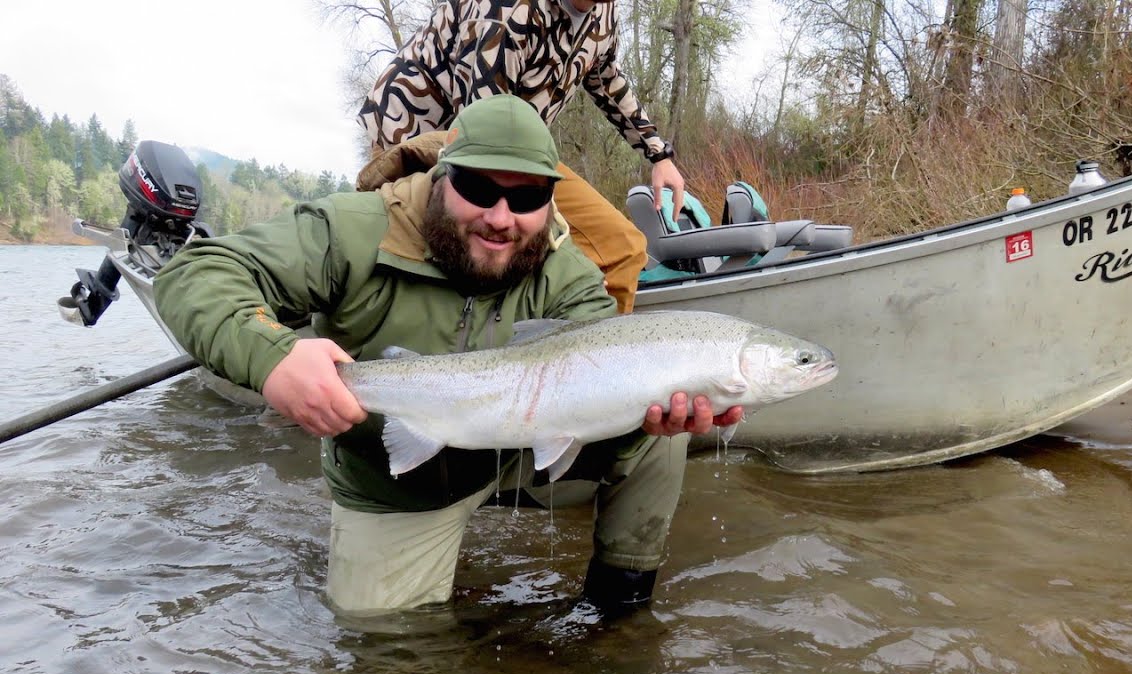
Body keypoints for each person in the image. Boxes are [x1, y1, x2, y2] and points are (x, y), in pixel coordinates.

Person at [155, 95, 740, 618]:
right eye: (479, 190)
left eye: (527, 196)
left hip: (516, 453)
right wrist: (274, 357)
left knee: (658, 435)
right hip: (399, 481)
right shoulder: (354, 230)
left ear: (550, 201)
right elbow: (196, 273)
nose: (500, 217)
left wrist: (646, 425)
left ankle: (619, 610)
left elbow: (600, 400)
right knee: (385, 645)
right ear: (441, 178)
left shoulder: (569, 277)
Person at [357, 0, 688, 314]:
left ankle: (582, 362)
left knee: (622, 249)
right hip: (420, 134)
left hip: (514, 147)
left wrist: (659, 154)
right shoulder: (505, 10)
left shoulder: (603, 14)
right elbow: (484, 134)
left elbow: (605, 78)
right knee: (458, 259)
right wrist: (556, 247)